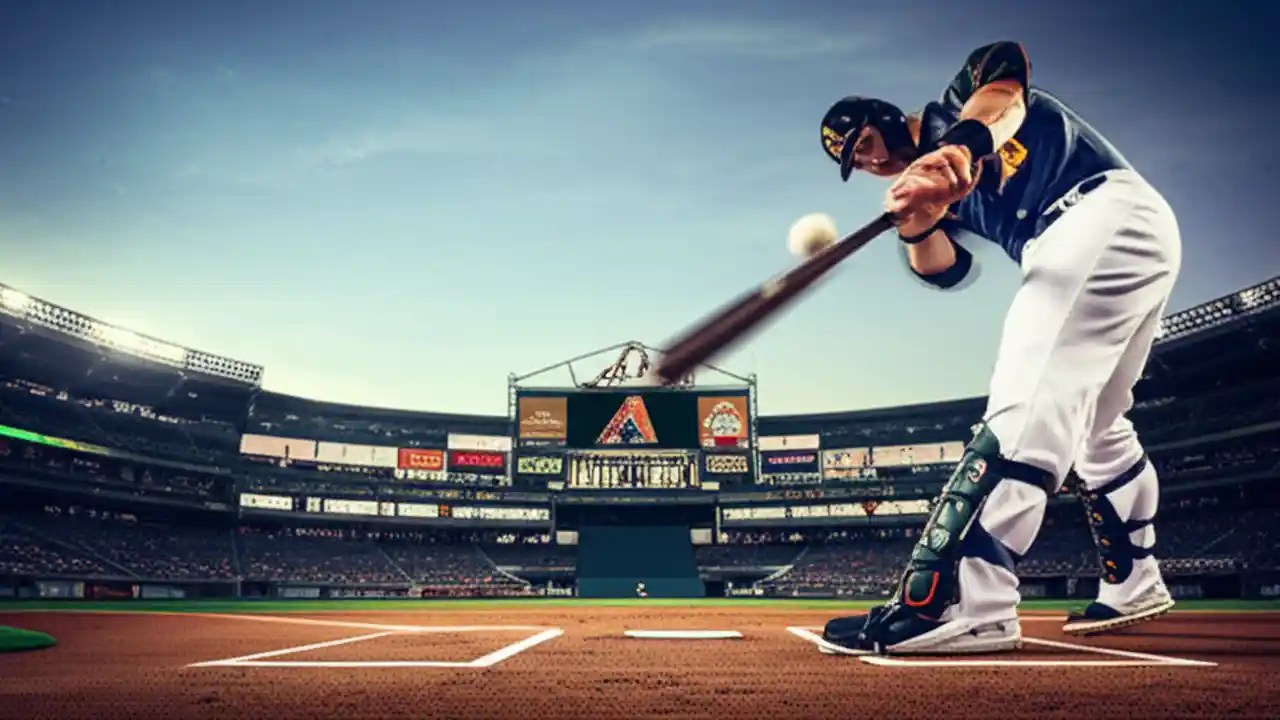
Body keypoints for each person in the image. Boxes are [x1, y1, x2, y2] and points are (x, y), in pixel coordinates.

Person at [816, 40, 1181, 655]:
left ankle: (970, 602)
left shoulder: (961, 108)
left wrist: (959, 146)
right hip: (1116, 234)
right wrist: (920, 226)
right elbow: (946, 272)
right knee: (1098, 426)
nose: (872, 162)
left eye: (867, 144)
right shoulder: (929, 185)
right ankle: (1135, 580)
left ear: (882, 116)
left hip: (1092, 210)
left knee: (1024, 401)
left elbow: (1004, 89)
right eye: (858, 162)